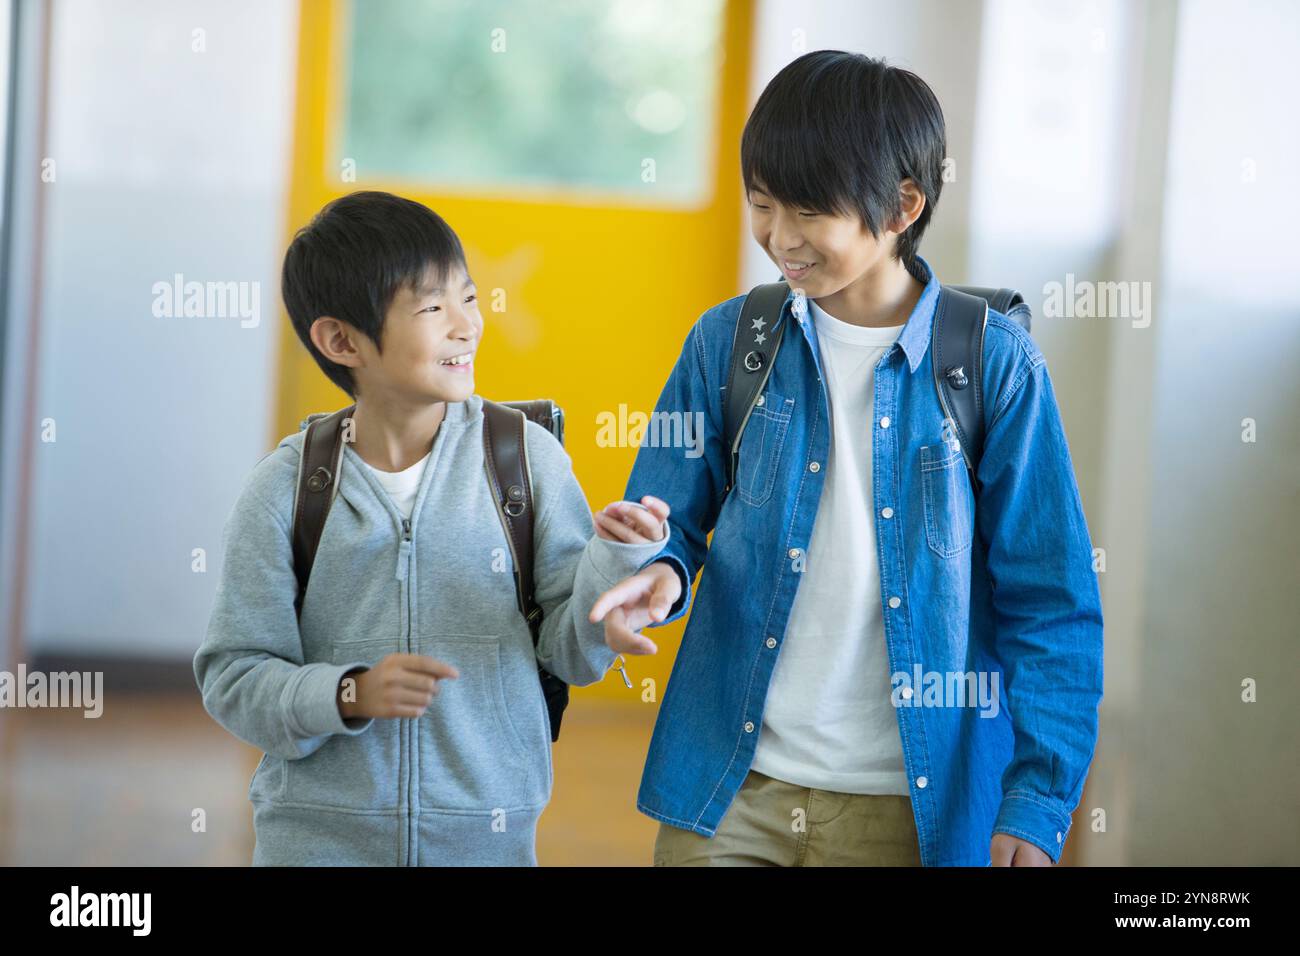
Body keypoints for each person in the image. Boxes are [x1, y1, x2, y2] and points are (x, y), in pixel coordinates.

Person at [590, 51, 1104, 866]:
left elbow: (1052, 601)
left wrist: (1037, 802)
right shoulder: (727, 343)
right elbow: (668, 524)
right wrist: (654, 574)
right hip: (730, 788)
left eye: (808, 213)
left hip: (910, 809)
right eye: (761, 204)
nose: (778, 238)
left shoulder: (994, 364)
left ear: (902, 206)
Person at [194, 190, 669, 865]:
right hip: (315, 845)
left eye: (469, 298)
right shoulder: (287, 488)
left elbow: (569, 653)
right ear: (341, 340)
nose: (467, 326)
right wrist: (348, 692)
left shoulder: (526, 461)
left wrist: (616, 568)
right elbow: (233, 677)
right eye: (431, 306)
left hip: (487, 840)